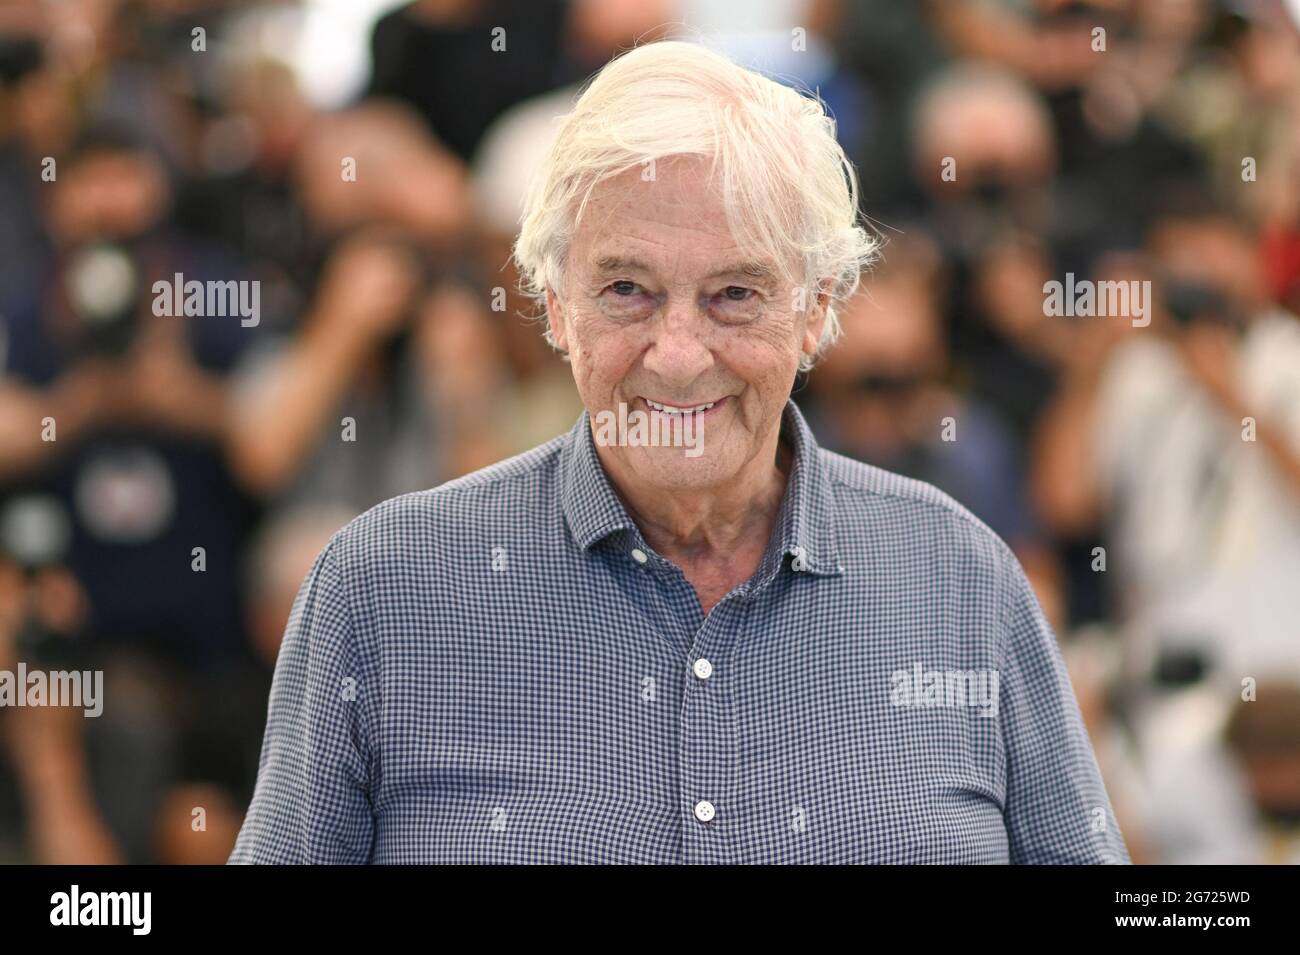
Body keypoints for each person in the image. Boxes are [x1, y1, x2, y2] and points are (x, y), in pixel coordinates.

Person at [230, 40, 1130, 864]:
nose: (679, 354)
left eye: (735, 293)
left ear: (817, 309)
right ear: (553, 305)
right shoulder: (384, 590)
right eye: (627, 289)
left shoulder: (965, 580)